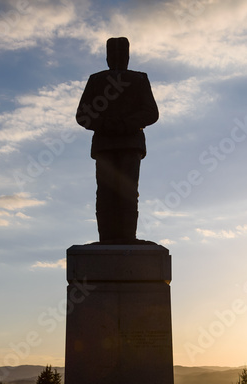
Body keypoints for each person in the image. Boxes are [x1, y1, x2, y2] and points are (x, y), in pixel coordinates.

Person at [76, 37, 159, 244]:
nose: (118, 58)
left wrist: (122, 124)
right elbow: (82, 115)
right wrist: (109, 124)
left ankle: (126, 237)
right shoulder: (96, 80)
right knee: (107, 191)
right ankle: (108, 237)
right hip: (108, 145)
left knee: (126, 191)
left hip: (128, 145)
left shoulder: (139, 79)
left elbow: (151, 113)